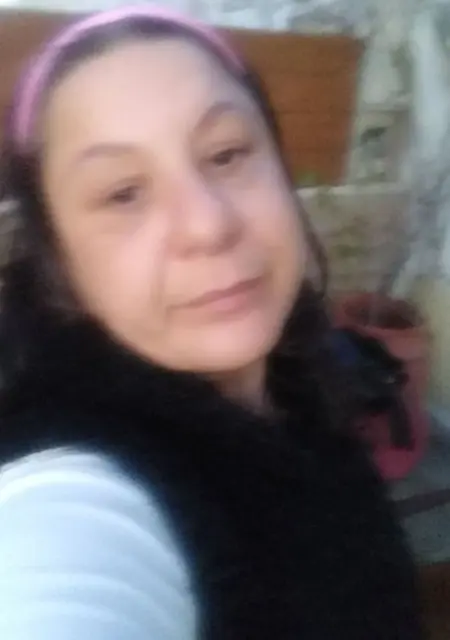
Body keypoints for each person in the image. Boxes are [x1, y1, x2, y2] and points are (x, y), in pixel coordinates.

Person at [0, 6, 421, 640]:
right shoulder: (74, 486)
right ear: (62, 264)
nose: (208, 224)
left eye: (226, 154)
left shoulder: (302, 377)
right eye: (123, 193)